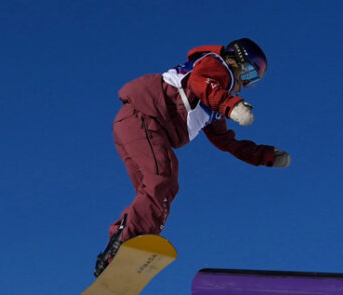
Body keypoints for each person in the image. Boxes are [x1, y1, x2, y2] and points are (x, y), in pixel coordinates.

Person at [95, 38, 291, 276]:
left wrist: (265, 155)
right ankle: (124, 242)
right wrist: (232, 105)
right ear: (237, 60)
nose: (245, 83)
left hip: (134, 124)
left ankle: (121, 251)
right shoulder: (217, 67)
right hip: (143, 117)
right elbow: (200, 82)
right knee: (163, 180)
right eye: (250, 72)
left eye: (253, 81)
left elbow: (227, 142)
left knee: (157, 193)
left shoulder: (214, 105)